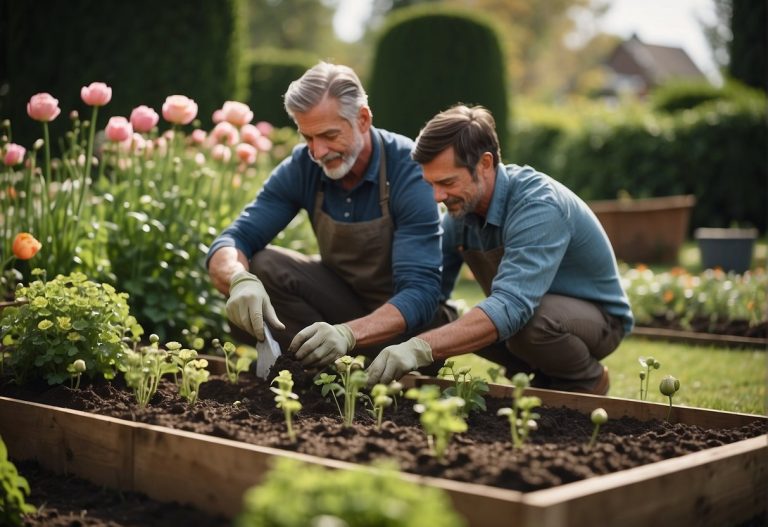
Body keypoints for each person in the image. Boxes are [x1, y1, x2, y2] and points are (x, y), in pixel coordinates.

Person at [365, 104, 634, 394]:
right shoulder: (461, 213)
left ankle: (586, 380)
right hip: (533, 313)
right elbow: (427, 289)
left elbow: (512, 305)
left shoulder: (538, 205)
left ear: (485, 163)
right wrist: (371, 344)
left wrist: (419, 348)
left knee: (526, 322)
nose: (437, 196)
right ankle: (541, 381)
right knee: (450, 320)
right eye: (430, 184)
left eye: (447, 182)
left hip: (598, 321)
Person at [206, 62, 446, 371]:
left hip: (404, 327)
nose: (318, 152)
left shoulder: (409, 170)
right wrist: (238, 279)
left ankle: (351, 367)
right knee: (265, 266)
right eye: (308, 138)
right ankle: (314, 371)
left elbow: (421, 292)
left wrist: (348, 334)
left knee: (417, 321)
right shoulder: (304, 166)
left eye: (329, 135)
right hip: (341, 304)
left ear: (362, 119)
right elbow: (235, 238)